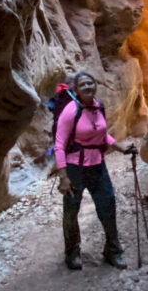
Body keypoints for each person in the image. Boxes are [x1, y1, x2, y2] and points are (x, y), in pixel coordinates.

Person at [54, 71, 135, 270]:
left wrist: (122, 148)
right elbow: (59, 145)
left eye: (91, 83)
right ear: (77, 90)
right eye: (83, 85)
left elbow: (102, 135)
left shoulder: (99, 106)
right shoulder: (71, 111)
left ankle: (113, 250)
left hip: (97, 165)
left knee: (108, 204)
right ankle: (72, 253)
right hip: (75, 168)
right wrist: (63, 176)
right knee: (71, 211)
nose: (88, 87)